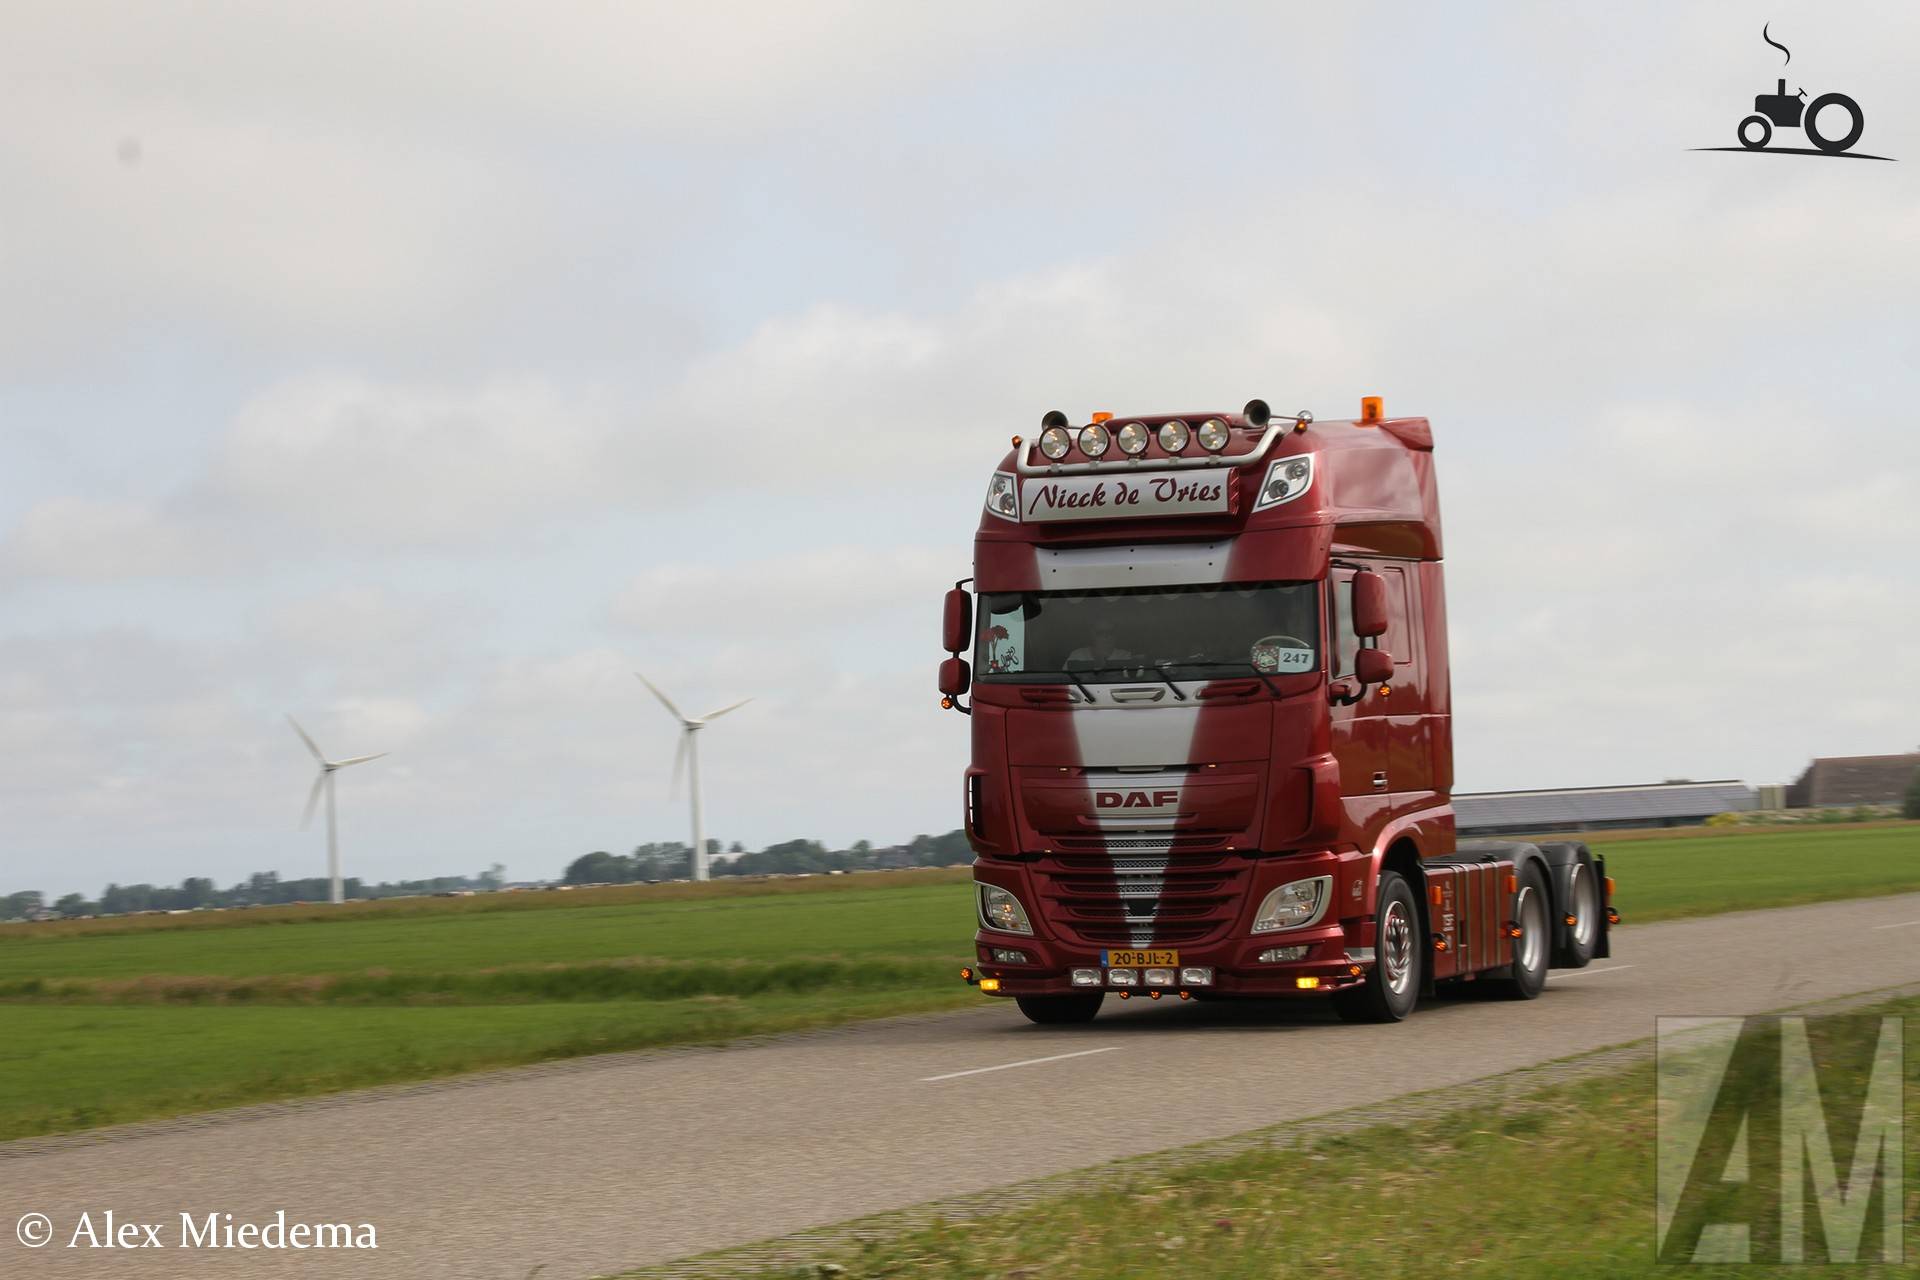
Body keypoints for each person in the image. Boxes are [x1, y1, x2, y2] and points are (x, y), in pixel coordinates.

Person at [1065, 618, 1136, 669]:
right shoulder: (1078, 655)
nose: (1106, 636)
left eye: (1110, 632)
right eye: (1101, 632)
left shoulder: (1125, 656)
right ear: (1092, 634)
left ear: (1116, 634)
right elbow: (1065, 679)